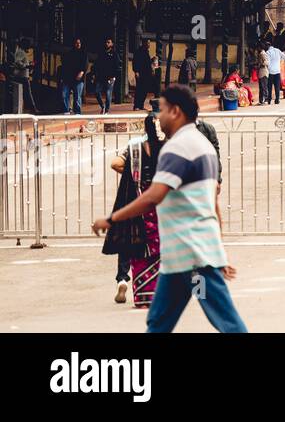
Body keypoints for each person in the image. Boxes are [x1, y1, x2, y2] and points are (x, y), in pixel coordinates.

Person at [92, 85, 248, 333]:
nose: (158, 117)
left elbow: (153, 196)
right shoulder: (203, 146)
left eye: (162, 110)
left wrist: (111, 219)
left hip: (194, 259)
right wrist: (220, 252)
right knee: (159, 322)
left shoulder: (178, 147)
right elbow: (212, 205)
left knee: (225, 321)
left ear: (175, 112)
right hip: (181, 261)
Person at [103, 113, 164, 306]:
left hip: (139, 202)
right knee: (162, 247)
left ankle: (134, 288)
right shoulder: (170, 148)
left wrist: (130, 172)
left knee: (134, 244)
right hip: (162, 204)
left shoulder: (135, 147)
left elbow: (115, 163)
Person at [90, 38, 122, 113]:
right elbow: (96, 64)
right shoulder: (101, 53)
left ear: (112, 44)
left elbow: (117, 67)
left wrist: (113, 76)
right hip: (100, 77)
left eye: (108, 42)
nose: (107, 44)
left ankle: (107, 110)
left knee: (108, 94)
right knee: (97, 91)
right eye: (106, 42)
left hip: (110, 77)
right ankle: (102, 106)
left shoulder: (114, 54)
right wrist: (94, 74)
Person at [59, 37, 88, 115]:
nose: (78, 44)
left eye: (79, 43)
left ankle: (77, 112)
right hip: (68, 78)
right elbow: (65, 66)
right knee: (64, 94)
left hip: (78, 78)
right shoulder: (69, 54)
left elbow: (85, 66)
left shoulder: (84, 54)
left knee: (77, 96)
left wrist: (81, 73)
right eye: (76, 43)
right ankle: (66, 110)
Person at [131, 40, 154, 111]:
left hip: (146, 74)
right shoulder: (139, 51)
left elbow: (147, 62)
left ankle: (141, 105)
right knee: (139, 90)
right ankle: (136, 106)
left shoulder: (146, 51)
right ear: (144, 43)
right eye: (147, 43)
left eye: (149, 43)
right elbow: (135, 62)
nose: (149, 44)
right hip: (141, 73)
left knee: (144, 90)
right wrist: (136, 71)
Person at [264, 40, 284, 106]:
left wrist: (266, 66)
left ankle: (269, 100)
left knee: (269, 87)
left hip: (270, 72)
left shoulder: (267, 52)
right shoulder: (278, 50)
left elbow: (267, 62)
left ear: (267, 46)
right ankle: (277, 100)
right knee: (277, 86)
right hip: (277, 71)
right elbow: (284, 56)